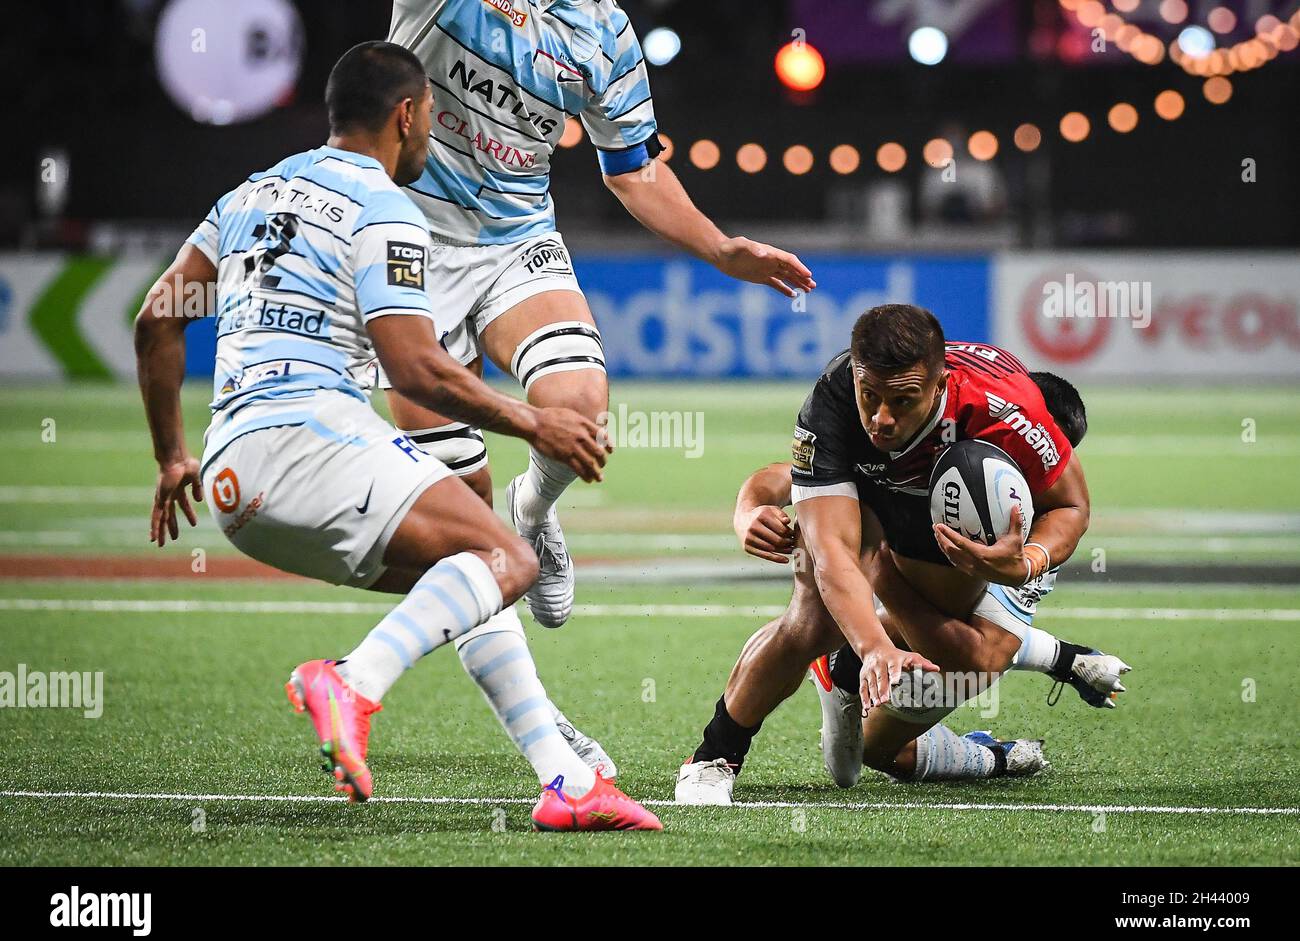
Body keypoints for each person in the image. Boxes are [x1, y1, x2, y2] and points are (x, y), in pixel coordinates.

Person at [134, 40, 659, 831]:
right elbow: (415, 369)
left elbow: (156, 322)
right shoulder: (386, 208)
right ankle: (352, 681)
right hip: (312, 443)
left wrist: (174, 455)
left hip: (233, 482)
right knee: (504, 556)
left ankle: (567, 782)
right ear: (409, 116)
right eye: (429, 120)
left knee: (466, 578)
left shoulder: (246, 195)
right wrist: (532, 418)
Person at [381, 0, 816, 631]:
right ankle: (541, 729)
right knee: (464, 529)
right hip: (406, 240)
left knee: (579, 407)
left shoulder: (604, 28)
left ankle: (530, 513)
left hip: (516, 242)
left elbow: (633, 170)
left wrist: (720, 248)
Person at [675, 306, 1129, 804]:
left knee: (968, 663)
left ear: (940, 385)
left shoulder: (1003, 415)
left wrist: (1028, 562)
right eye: (870, 397)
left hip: (964, 514)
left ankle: (849, 674)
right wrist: (873, 646)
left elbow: (1071, 504)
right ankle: (715, 755)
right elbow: (828, 549)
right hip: (877, 497)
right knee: (813, 621)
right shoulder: (833, 398)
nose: (881, 419)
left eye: (902, 401)